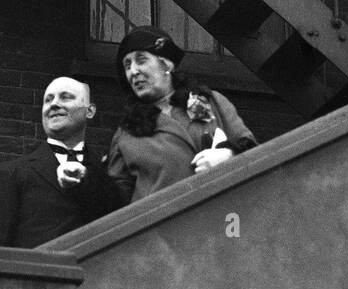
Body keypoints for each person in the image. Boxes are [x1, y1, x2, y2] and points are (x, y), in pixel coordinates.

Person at [107, 27, 256, 204]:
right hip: (162, 227)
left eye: (141, 60)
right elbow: (114, 202)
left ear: (166, 64)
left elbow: (252, 151)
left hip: (220, 217)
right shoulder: (126, 132)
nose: (133, 71)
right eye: (127, 65)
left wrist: (229, 156)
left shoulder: (212, 101)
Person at [0, 77, 123, 248]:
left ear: (89, 111)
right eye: (48, 100)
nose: (53, 104)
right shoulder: (12, 173)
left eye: (65, 97)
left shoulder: (107, 171)